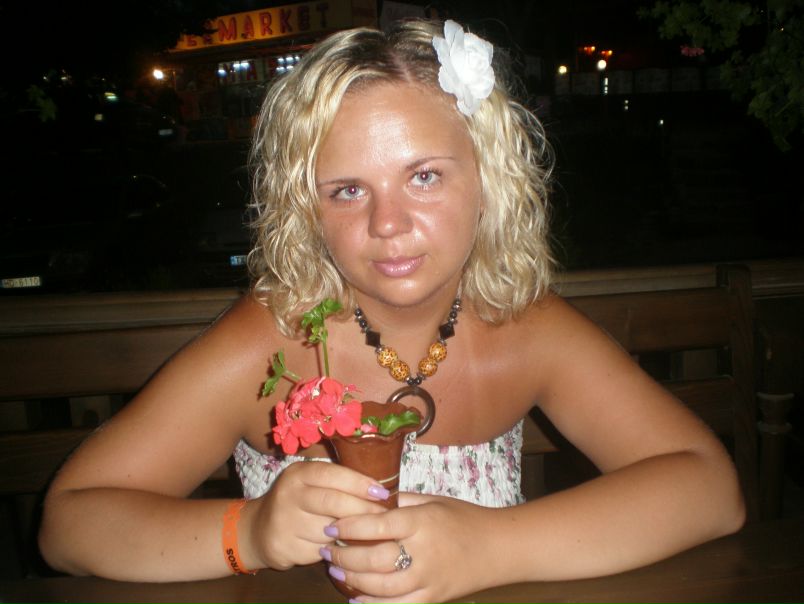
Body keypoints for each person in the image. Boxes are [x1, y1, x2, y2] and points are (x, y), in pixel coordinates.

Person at [39, 19, 745, 603]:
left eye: (424, 176)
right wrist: (249, 533)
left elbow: (709, 487)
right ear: (307, 211)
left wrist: (490, 548)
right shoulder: (269, 343)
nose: (388, 224)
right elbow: (69, 523)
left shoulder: (527, 326)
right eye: (347, 190)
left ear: (488, 181)